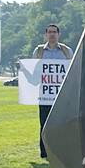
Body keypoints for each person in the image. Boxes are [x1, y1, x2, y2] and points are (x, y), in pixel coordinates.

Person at [31, 24, 73, 159]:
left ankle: (62, 150)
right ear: (46, 35)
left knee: (62, 123)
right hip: (44, 94)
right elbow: (34, 71)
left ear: (59, 34)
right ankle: (45, 152)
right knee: (44, 124)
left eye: (54, 32)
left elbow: (72, 71)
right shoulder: (39, 51)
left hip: (62, 95)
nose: (52, 34)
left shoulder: (67, 51)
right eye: (49, 32)